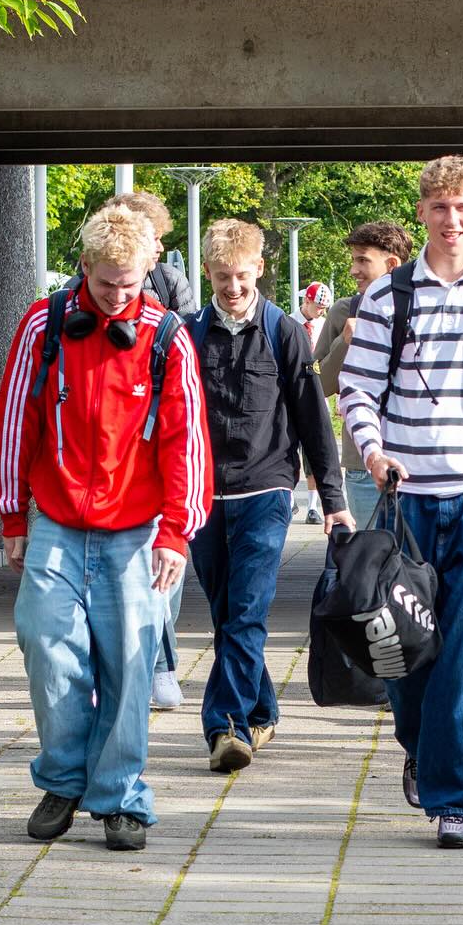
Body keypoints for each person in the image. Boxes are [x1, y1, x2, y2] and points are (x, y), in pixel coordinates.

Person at [0, 203, 212, 851]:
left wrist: (177, 532)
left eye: (132, 283)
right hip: (54, 520)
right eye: (108, 282)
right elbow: (13, 420)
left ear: (149, 270)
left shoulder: (167, 335)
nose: (119, 296)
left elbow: (186, 441)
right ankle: (63, 779)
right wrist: (11, 514)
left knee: (130, 663)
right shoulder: (46, 323)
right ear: (84, 267)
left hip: (136, 529)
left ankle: (119, 798)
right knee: (46, 645)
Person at [338, 155, 463, 851]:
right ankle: (419, 744)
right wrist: (373, 449)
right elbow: (357, 389)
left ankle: (454, 797)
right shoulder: (389, 297)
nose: (453, 221)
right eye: (441, 208)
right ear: (422, 213)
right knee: (405, 655)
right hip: (405, 501)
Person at [190, 219, 351, 772]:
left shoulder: (283, 330)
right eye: (221, 276)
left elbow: (313, 418)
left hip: (267, 487)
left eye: (240, 275)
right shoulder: (187, 334)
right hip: (205, 495)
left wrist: (333, 498)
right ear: (207, 272)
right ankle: (262, 708)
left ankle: (224, 726)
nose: (232, 287)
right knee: (224, 613)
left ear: (258, 269)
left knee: (248, 610)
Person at [109, 191, 198, 712]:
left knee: (166, 564)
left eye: (160, 239)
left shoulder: (169, 284)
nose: (158, 247)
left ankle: (161, 664)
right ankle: (143, 665)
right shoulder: (94, 286)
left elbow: (187, 343)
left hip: (157, 425)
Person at [317, 221, 414, 530]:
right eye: (353, 259)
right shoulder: (343, 311)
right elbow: (320, 384)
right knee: (372, 562)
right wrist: (344, 343)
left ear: (392, 264)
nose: (353, 269)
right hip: (362, 464)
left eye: (362, 260)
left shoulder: (424, 308)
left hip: (417, 464)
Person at [291, 280, 334, 524]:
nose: (320, 312)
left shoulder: (323, 326)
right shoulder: (287, 322)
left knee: (314, 454)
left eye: (323, 308)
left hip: (316, 395)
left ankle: (313, 507)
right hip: (290, 396)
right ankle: (289, 500)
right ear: (306, 301)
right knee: (287, 452)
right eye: (318, 307)